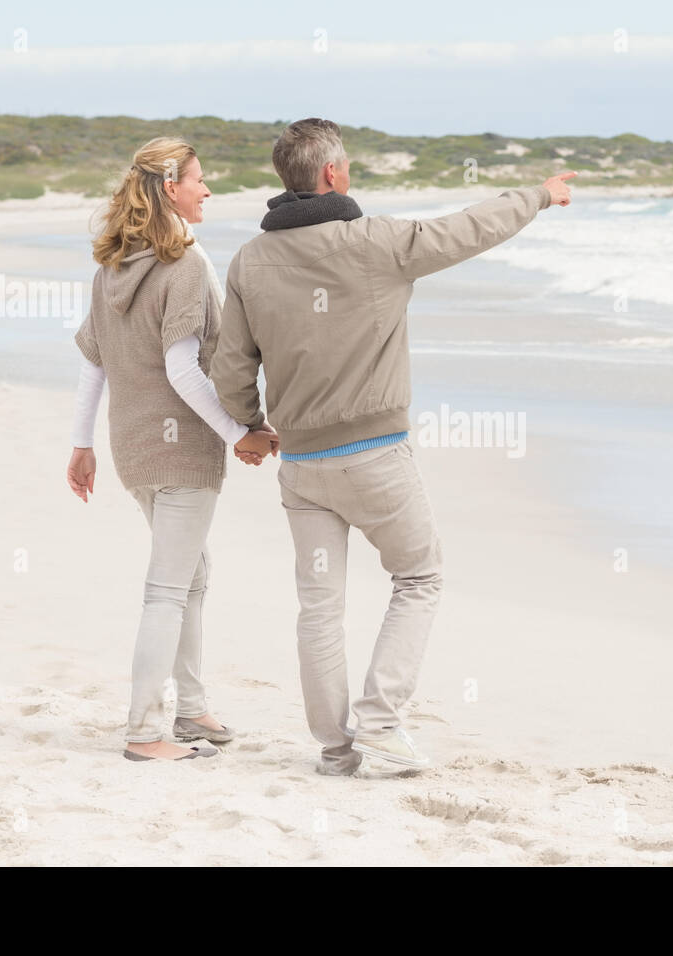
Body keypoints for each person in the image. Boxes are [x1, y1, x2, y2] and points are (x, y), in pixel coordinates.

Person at [212, 118, 573, 775]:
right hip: (375, 457)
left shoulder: (249, 261)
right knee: (419, 576)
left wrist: (250, 426)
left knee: (320, 606)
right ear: (331, 175)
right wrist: (538, 195)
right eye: (345, 164)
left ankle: (335, 749)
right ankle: (380, 721)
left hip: (302, 468)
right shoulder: (373, 242)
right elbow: (466, 229)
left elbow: (230, 367)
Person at [66, 136, 277, 762]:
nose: (207, 189)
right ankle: (143, 732)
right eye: (199, 179)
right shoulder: (184, 264)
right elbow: (185, 371)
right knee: (167, 587)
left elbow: (92, 368)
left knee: (191, 573)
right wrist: (240, 435)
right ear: (168, 189)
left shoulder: (112, 267)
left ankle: (191, 709)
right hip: (181, 449)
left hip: (133, 449)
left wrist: (82, 443)